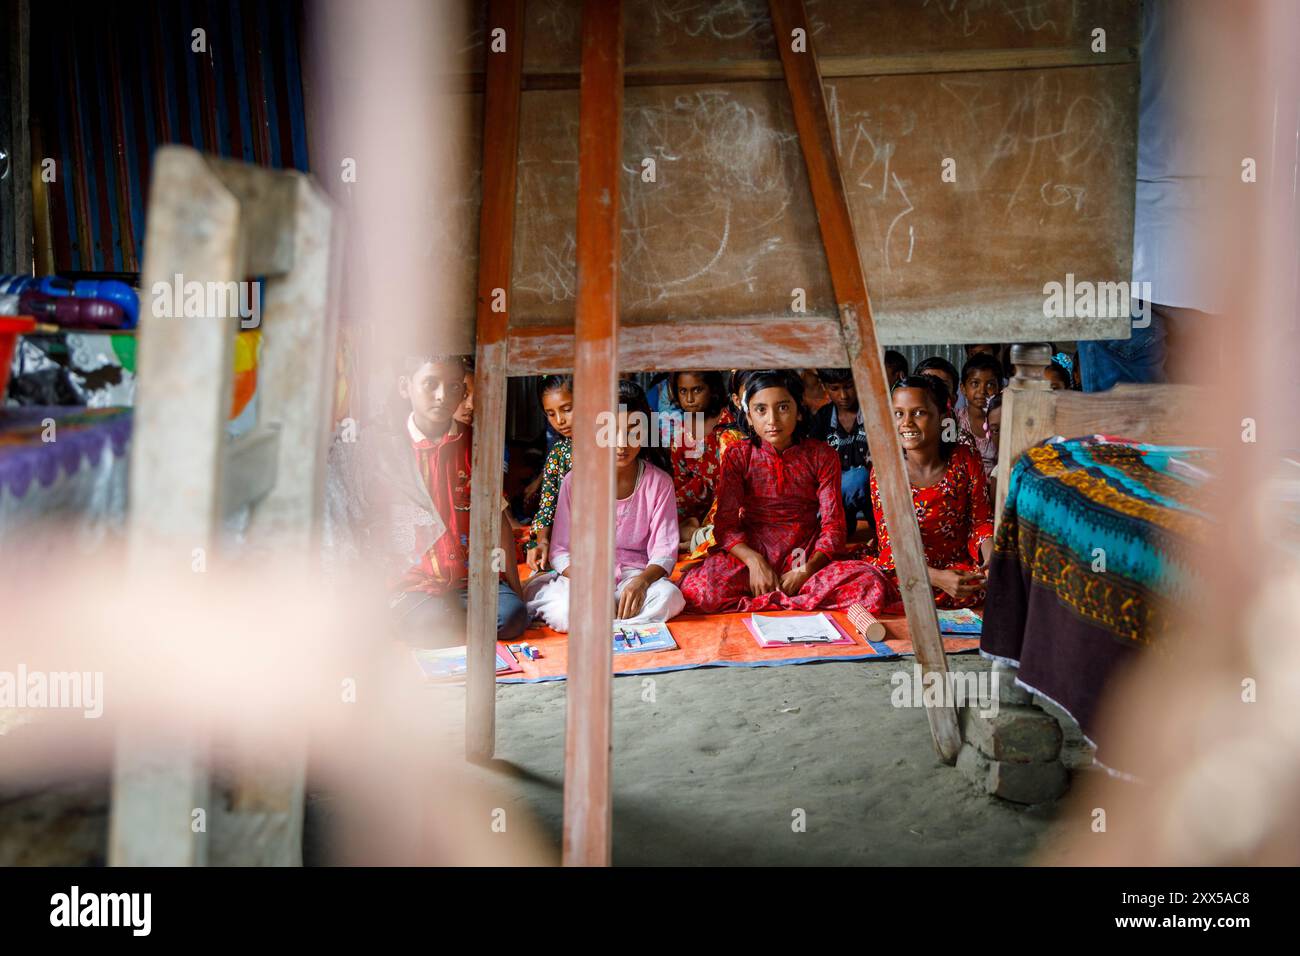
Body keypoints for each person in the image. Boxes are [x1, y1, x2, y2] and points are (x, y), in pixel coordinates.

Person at [679, 370, 889, 613]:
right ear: (748, 416)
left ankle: (768, 599)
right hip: (752, 553)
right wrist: (755, 561)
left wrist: (805, 570)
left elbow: (834, 527)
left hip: (804, 552)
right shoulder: (738, 455)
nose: (772, 420)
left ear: (799, 411)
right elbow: (725, 526)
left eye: (782, 408)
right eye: (761, 410)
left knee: (871, 586)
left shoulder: (822, 455)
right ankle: (794, 599)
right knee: (697, 591)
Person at [370, 355, 527, 643]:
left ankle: (452, 622)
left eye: (454, 387)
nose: (443, 396)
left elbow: (498, 521)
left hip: (472, 578)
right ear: (405, 387)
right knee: (432, 625)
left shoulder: (478, 444)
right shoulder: (385, 449)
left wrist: (515, 589)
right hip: (413, 581)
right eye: (431, 384)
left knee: (513, 616)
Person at [523, 380, 684, 632]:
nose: (622, 443)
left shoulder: (659, 483)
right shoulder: (575, 482)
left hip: (634, 576)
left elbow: (664, 550)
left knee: (670, 598)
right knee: (567, 611)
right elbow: (561, 551)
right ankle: (621, 623)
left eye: (633, 430)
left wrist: (642, 582)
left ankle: (606, 623)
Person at [866, 375, 994, 611]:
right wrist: (936, 578)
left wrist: (991, 558)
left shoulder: (966, 458)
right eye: (898, 414)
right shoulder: (885, 470)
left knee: (987, 583)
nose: (906, 423)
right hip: (905, 570)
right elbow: (890, 546)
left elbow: (981, 522)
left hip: (956, 567)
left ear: (943, 417)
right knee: (872, 585)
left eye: (918, 413)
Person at [665, 371, 733, 549]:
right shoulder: (681, 431)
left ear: (713, 389)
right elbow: (679, 477)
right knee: (662, 515)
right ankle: (694, 535)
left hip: (726, 497)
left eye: (697, 390)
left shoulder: (728, 422)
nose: (689, 398)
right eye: (682, 391)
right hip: (696, 500)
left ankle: (696, 537)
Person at [810, 367, 872, 537]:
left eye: (849, 386)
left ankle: (881, 535)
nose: (843, 395)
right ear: (824, 387)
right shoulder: (822, 418)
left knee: (859, 478)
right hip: (835, 498)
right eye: (835, 389)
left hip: (875, 496)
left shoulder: (873, 413)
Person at [527, 375, 574, 571]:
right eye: (551, 413)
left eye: (567, 409)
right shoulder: (558, 453)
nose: (560, 420)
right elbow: (547, 504)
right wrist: (543, 541)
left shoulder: (612, 447)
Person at [955, 353, 1002, 476]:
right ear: (963, 388)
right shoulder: (955, 420)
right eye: (975, 383)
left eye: (990, 384)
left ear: (1000, 388)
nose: (982, 391)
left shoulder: (1004, 422)